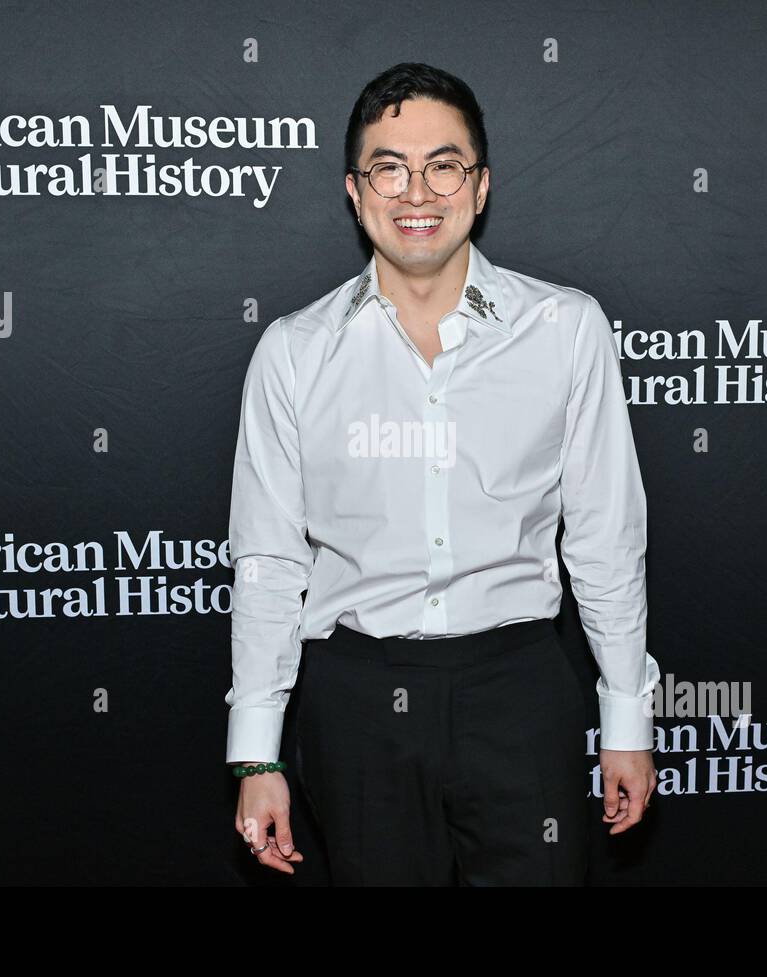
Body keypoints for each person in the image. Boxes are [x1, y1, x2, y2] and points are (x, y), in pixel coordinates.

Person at [225, 62, 659, 885]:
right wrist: (255, 756)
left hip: (521, 694)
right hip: (357, 703)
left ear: (481, 184)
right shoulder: (293, 350)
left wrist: (627, 717)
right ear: (355, 192)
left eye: (443, 165)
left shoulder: (564, 328)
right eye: (388, 167)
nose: (415, 191)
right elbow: (270, 561)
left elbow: (605, 535)